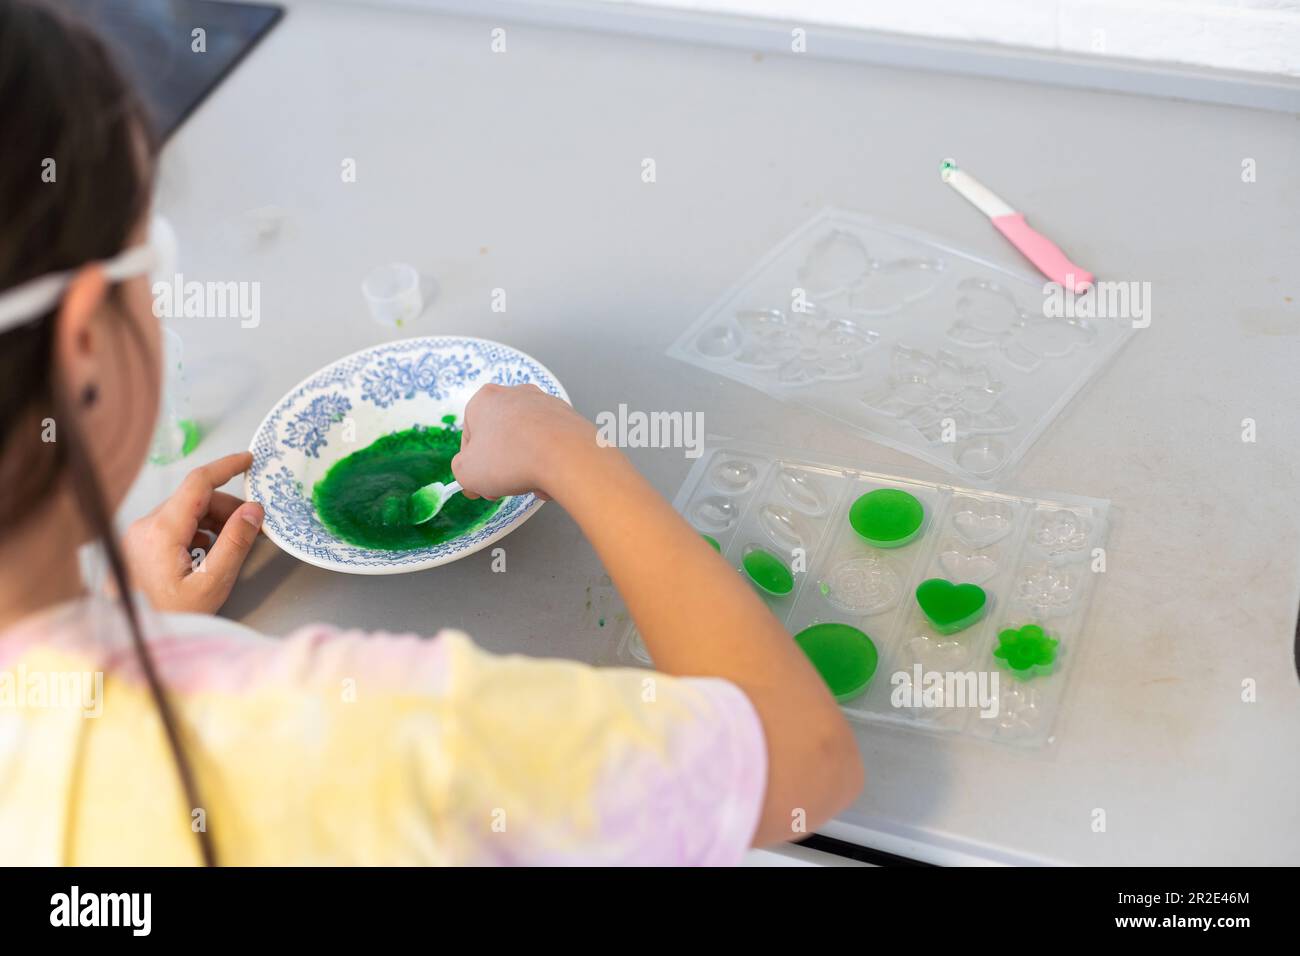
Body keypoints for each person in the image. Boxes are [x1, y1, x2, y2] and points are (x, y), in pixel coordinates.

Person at [0, 0, 862, 865]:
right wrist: (574, 454)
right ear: (85, 346)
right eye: (153, 258)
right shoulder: (373, 737)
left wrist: (136, 620)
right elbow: (798, 764)